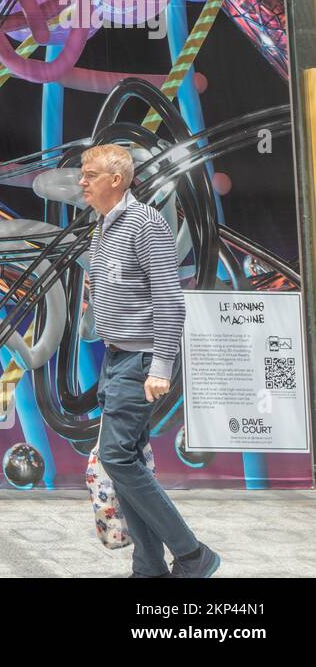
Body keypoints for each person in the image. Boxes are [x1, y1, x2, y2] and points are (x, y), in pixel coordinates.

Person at [81, 144, 219, 578]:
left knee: (117, 457)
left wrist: (161, 367)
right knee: (127, 461)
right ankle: (148, 567)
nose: (82, 181)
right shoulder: (103, 227)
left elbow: (169, 300)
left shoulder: (146, 224)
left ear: (116, 180)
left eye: (90, 174)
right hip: (116, 356)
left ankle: (194, 555)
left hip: (140, 361)